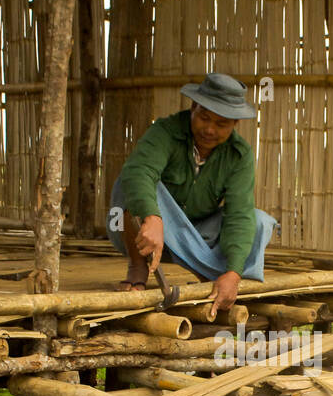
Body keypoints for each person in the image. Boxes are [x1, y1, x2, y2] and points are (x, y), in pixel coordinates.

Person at [108, 73, 277, 313]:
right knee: (132, 178)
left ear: (235, 124)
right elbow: (140, 171)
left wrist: (234, 272)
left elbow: (238, 214)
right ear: (193, 107)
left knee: (259, 220)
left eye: (221, 124)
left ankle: (223, 278)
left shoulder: (240, 154)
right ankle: (138, 267)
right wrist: (151, 216)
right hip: (147, 234)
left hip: (198, 237)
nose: (209, 129)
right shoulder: (165, 132)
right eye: (204, 118)